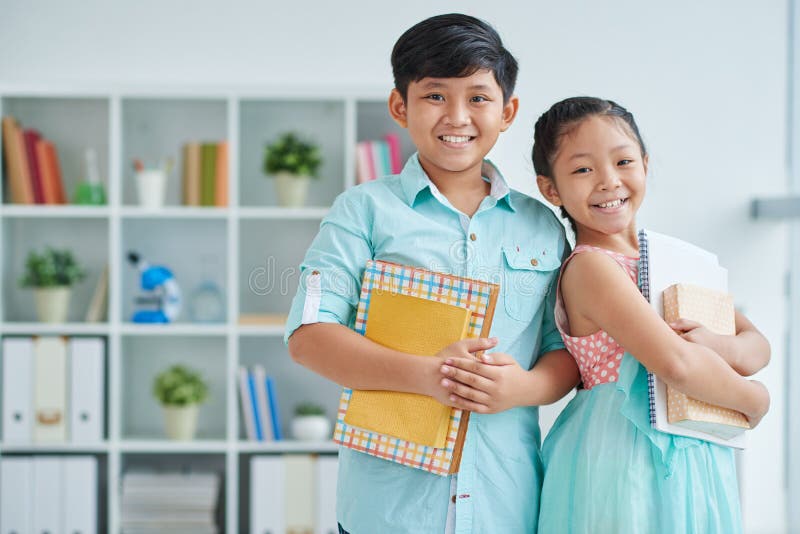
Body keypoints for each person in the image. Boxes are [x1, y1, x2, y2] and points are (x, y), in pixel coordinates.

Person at [285, 13, 579, 534]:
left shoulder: (543, 228)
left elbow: (567, 354)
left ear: (508, 111)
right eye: (436, 96)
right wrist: (428, 375)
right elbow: (309, 336)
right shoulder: (360, 212)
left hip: (505, 506)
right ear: (401, 106)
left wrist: (524, 388)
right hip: (387, 510)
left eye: (478, 98)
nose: (458, 116)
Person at [529, 96, 769, 532]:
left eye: (622, 161)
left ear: (644, 163)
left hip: (694, 441)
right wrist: (755, 400)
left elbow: (756, 347)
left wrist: (716, 345)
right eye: (583, 169)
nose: (608, 181)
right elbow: (675, 363)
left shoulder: (673, 259)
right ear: (551, 189)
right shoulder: (591, 267)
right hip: (626, 448)